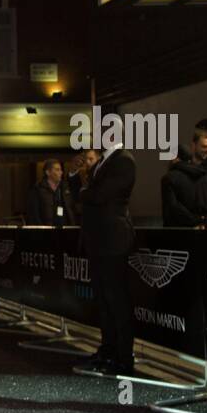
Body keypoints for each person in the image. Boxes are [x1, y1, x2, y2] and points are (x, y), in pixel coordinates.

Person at [78, 142, 136, 376]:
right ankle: (108, 350)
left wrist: (85, 192)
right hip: (99, 239)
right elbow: (87, 193)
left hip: (114, 240)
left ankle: (123, 357)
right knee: (103, 299)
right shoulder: (103, 162)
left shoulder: (124, 160)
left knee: (117, 300)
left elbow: (98, 195)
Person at [161, 128, 207, 228]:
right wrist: (202, 220)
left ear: (174, 158)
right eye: (204, 146)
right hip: (203, 235)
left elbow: (173, 207)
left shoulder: (169, 178)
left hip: (175, 236)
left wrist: (193, 221)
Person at [25, 158, 70, 227]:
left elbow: (70, 210)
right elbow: (34, 214)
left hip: (63, 230)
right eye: (57, 170)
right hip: (45, 231)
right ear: (48, 172)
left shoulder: (64, 188)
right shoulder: (37, 189)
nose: (61, 172)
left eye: (61, 169)